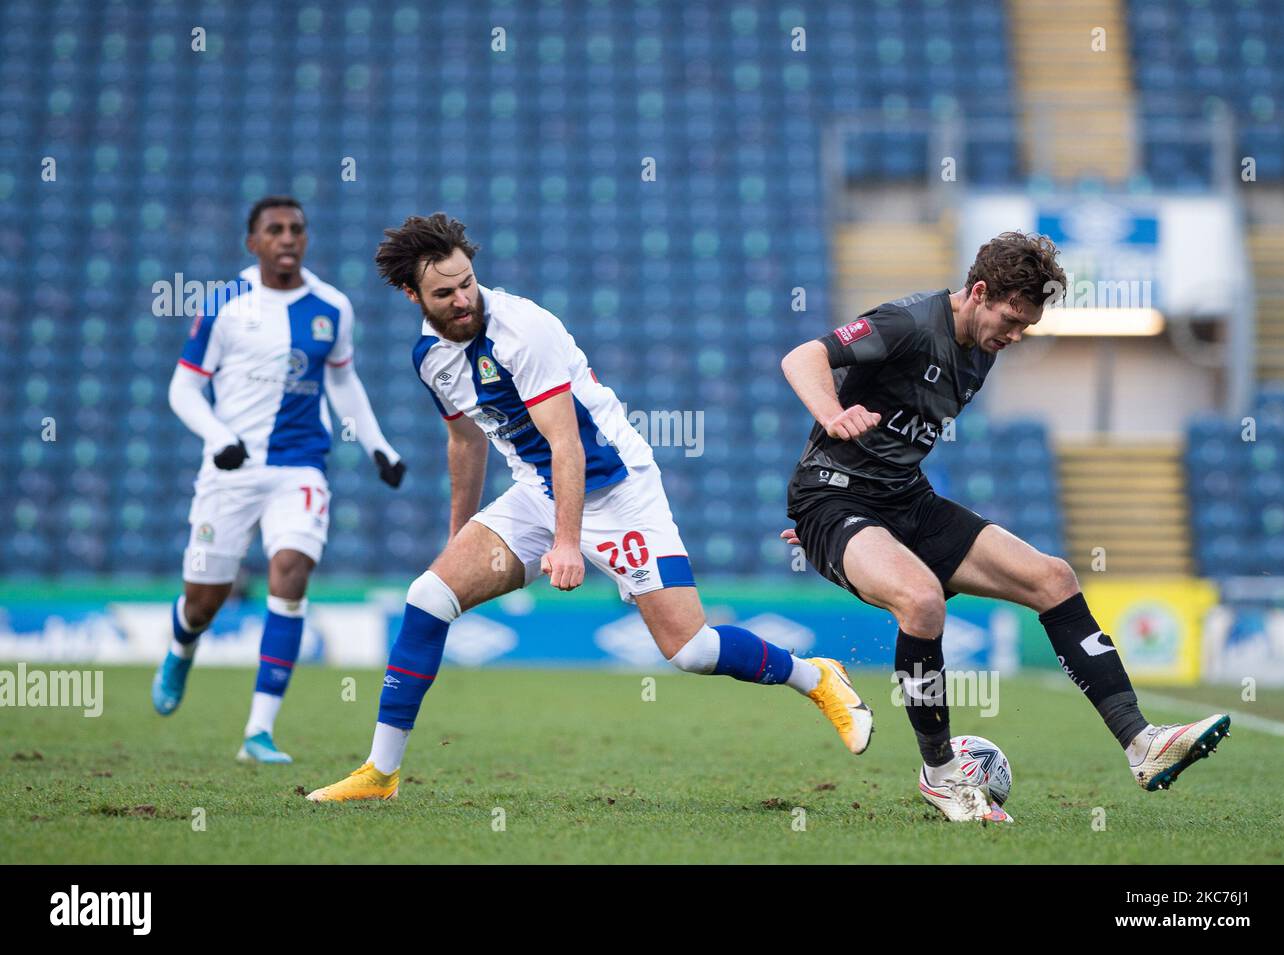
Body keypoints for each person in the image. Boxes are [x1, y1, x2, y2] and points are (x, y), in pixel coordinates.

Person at [307, 213, 872, 802]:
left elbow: (566, 444)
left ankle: (816, 676)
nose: (461, 299)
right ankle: (381, 774)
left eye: (467, 282)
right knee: (427, 597)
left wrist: (568, 542)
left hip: (617, 491)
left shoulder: (523, 329)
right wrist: (459, 535)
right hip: (535, 492)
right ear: (412, 295)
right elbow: (466, 441)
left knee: (692, 651)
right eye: (444, 293)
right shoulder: (430, 357)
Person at [778, 231, 1230, 823]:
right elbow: (802, 356)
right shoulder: (909, 322)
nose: (1015, 337)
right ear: (980, 292)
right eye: (1012, 319)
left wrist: (873, 539)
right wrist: (833, 422)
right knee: (921, 601)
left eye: (1026, 327)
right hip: (833, 501)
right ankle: (941, 775)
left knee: (1054, 577)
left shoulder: (983, 348)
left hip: (901, 504)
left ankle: (1142, 744)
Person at [152, 196, 405, 763]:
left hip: (300, 466)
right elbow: (183, 388)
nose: (287, 238)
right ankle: (182, 642)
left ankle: (257, 732)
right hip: (231, 471)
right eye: (275, 230)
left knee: (289, 573)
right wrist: (219, 439)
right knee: (205, 600)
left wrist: (378, 447)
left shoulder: (331, 307)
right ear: (254, 242)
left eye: (296, 229)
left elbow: (343, 384)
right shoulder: (224, 303)